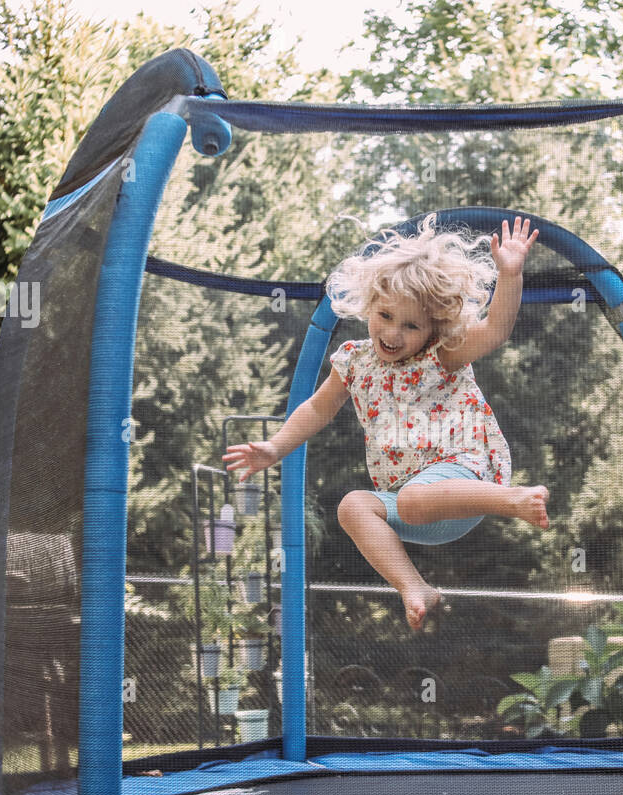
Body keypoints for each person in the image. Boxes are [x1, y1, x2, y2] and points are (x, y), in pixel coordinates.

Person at [223, 214, 549, 631]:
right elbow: (317, 409)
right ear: (368, 306)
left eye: (411, 325)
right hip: (414, 505)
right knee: (353, 506)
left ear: (433, 328)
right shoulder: (354, 362)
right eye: (385, 316)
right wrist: (274, 446)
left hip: (464, 477)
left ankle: (513, 500)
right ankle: (414, 588)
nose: (394, 333)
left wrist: (511, 272)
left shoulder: (441, 354)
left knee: (413, 499)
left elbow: (496, 330)